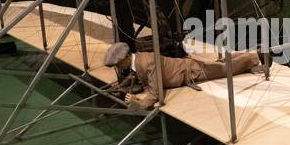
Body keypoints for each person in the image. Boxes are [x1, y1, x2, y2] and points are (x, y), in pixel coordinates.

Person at [103, 41, 266, 108]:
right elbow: (135, 74)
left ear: (126, 57)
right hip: (186, 68)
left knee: (224, 69)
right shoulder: (138, 59)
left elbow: (155, 94)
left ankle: (256, 56)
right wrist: (121, 86)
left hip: (190, 72)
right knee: (220, 64)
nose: (119, 67)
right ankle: (249, 54)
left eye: (118, 63)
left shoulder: (146, 63)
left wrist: (137, 103)